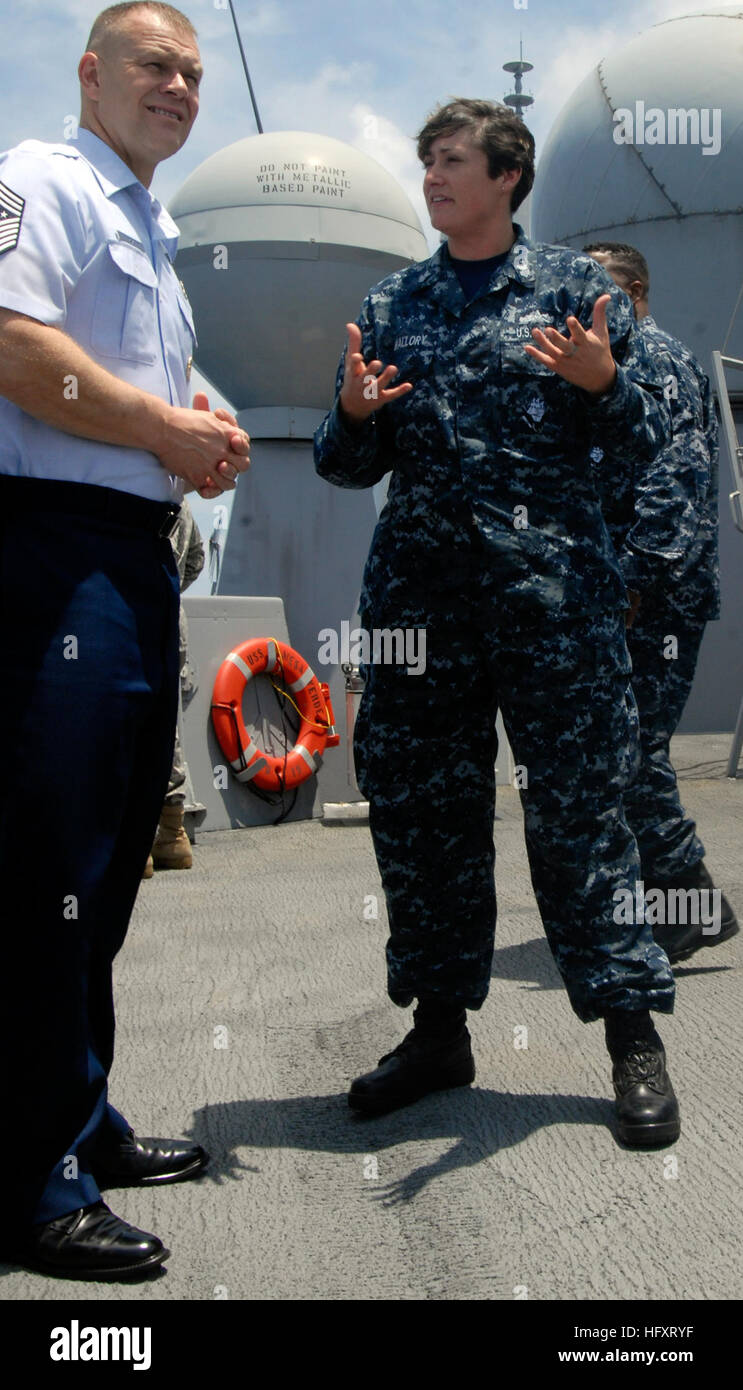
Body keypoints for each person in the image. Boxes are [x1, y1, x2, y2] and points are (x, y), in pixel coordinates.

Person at [315, 99, 680, 1147]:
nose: (431, 176)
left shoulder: (572, 291)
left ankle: (630, 1035)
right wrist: (351, 414)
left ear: (506, 175)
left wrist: (601, 384)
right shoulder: (393, 303)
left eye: (450, 160)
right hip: (421, 612)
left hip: (552, 610)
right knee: (425, 821)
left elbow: (649, 437)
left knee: (581, 818)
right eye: (425, 160)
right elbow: (342, 466)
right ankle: (437, 1033)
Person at [0, 1, 250, 1279]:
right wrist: (163, 430)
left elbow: (114, 381)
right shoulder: (42, 181)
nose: (181, 86)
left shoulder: (148, 224)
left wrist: (188, 429)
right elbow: (9, 344)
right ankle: (27, 1179)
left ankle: (79, 1117)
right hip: (49, 549)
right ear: (92, 73)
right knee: (48, 863)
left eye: (194, 73)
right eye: (158, 63)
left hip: (130, 555)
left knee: (104, 865)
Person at [583, 241, 738, 962]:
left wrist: (634, 582)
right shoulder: (604, 366)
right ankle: (665, 899)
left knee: (635, 748)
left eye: (602, 287)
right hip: (627, 590)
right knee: (621, 747)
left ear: (636, 291)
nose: (586, 301)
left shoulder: (656, 360)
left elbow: (674, 481)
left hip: (655, 597)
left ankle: (690, 902)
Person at [143, 496, 205, 874]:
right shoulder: (181, 502)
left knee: (130, 722)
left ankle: (137, 843)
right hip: (172, 620)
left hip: (135, 615)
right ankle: (173, 835)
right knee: (168, 726)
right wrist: (172, 586)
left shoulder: (137, 493)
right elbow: (196, 559)